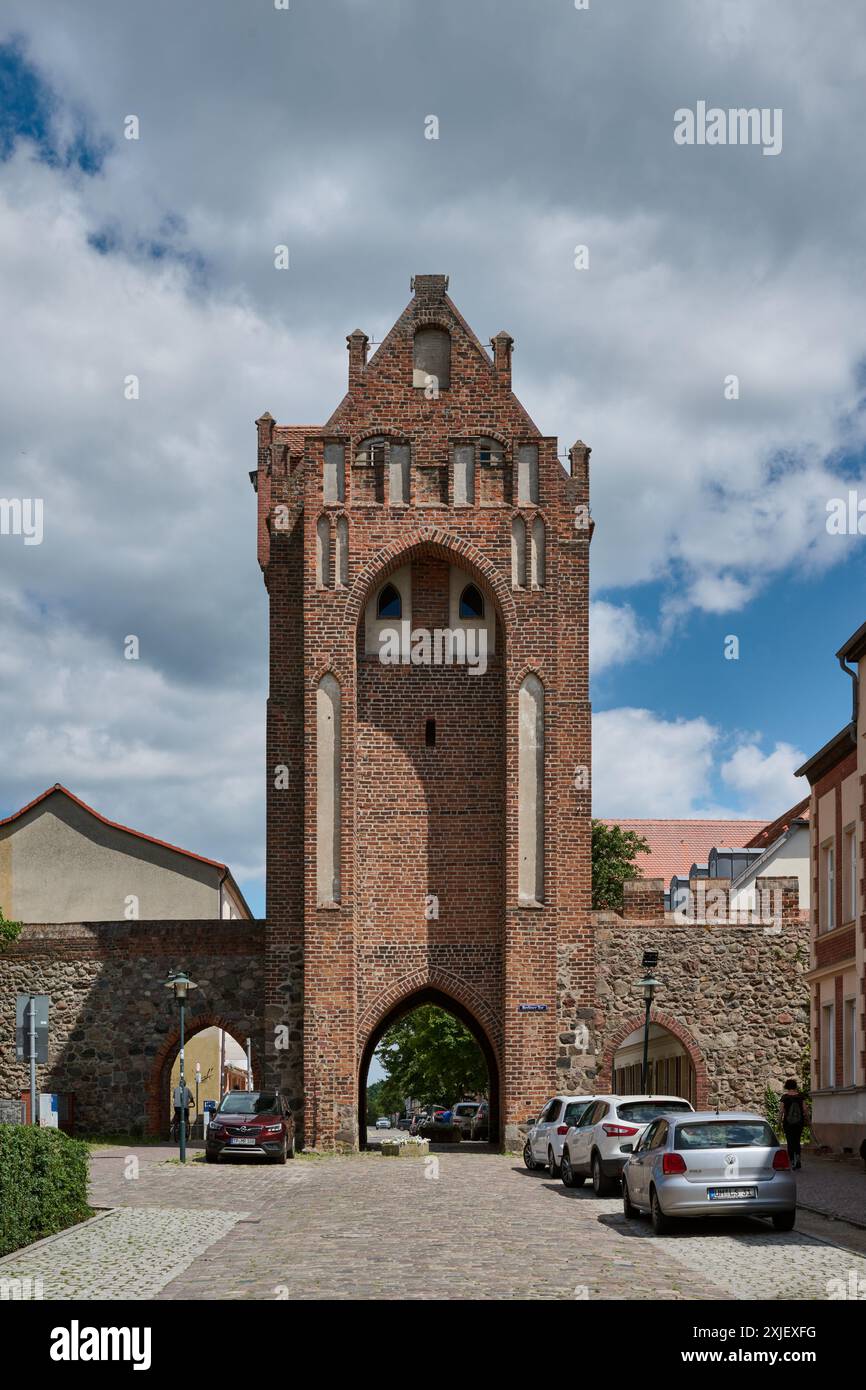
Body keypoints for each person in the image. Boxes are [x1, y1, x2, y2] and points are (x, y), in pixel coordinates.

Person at [778, 1078, 810, 1169]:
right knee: (797, 1141)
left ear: (787, 1086)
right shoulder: (801, 1096)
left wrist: (779, 1123)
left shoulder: (784, 1097)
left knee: (790, 1142)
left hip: (788, 1123)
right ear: (795, 1086)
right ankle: (798, 1158)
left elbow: (781, 1111)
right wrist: (808, 1120)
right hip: (799, 1123)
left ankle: (792, 1161)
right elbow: (805, 1109)